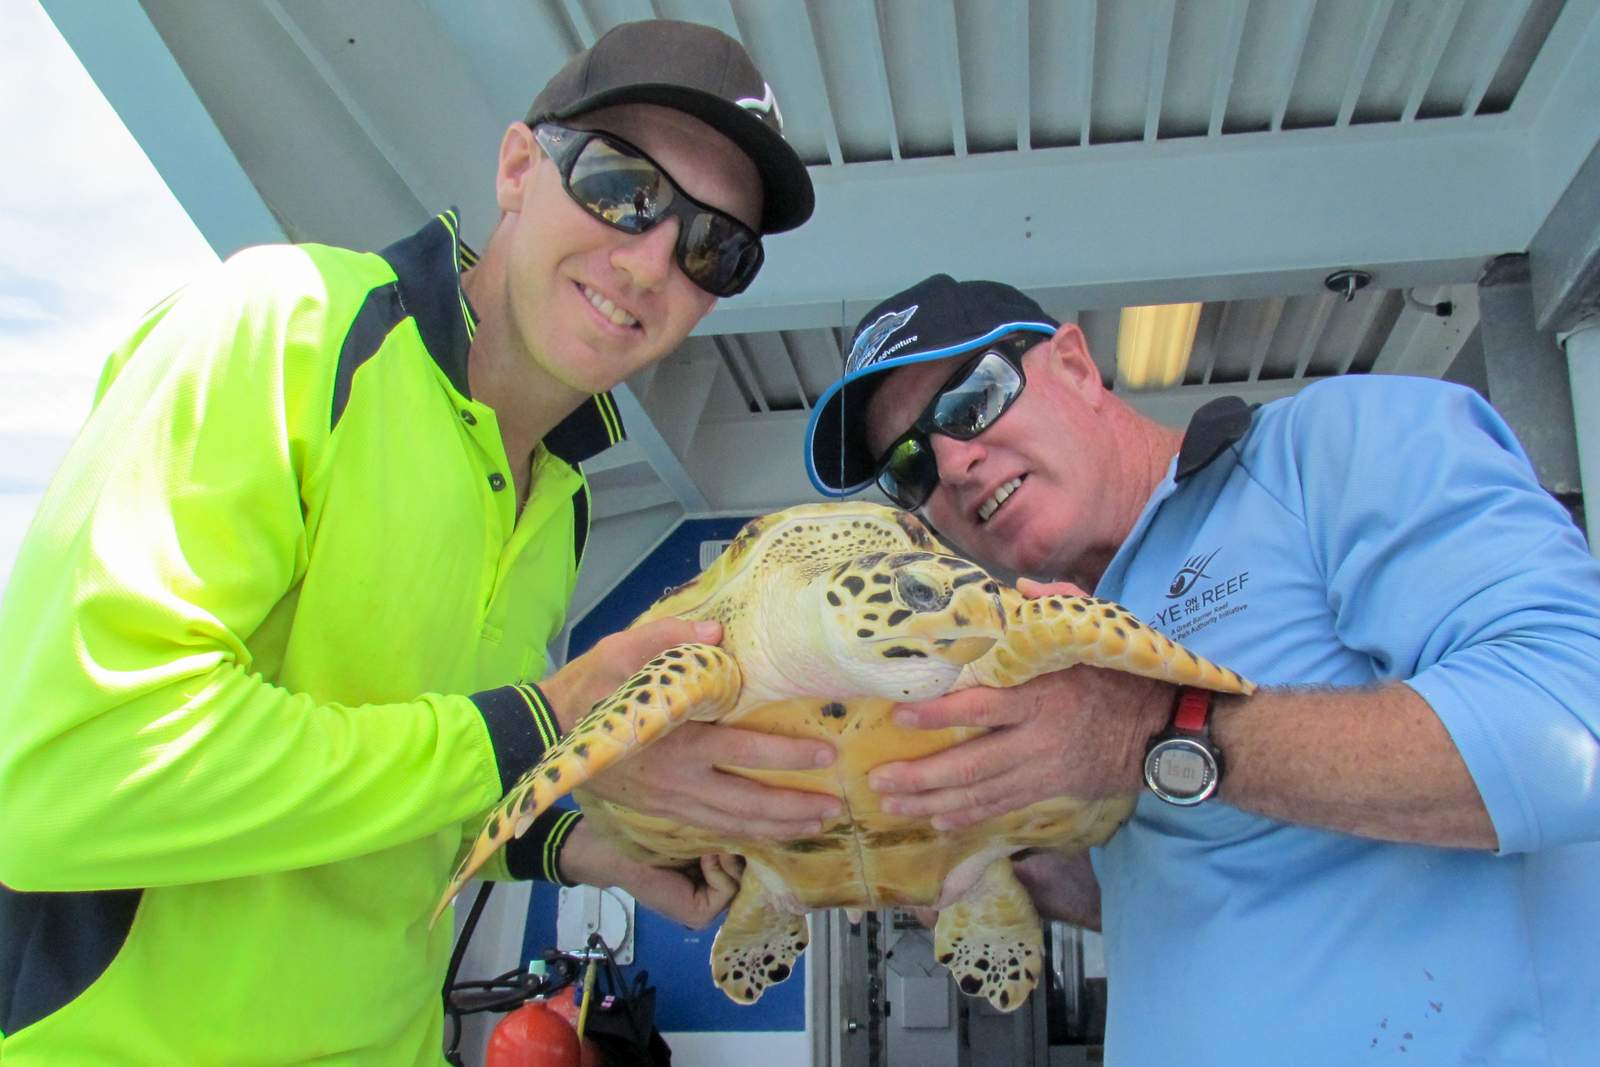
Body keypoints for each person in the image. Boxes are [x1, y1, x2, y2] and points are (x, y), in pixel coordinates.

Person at [0, 20, 840, 1066]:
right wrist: (549, 718)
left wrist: (583, 846)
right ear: (517, 167)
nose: (652, 258)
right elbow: (74, 778)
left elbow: (405, 780)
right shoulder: (286, 326)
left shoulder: (565, 499)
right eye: (624, 186)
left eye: (716, 245)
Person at [803, 273, 1600, 1065]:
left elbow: (1573, 725)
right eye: (908, 465)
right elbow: (1186, 888)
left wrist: (1144, 732)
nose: (950, 461)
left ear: (1077, 366)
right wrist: (958, 852)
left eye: (970, 399)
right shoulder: (1066, 649)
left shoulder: (1331, 446)